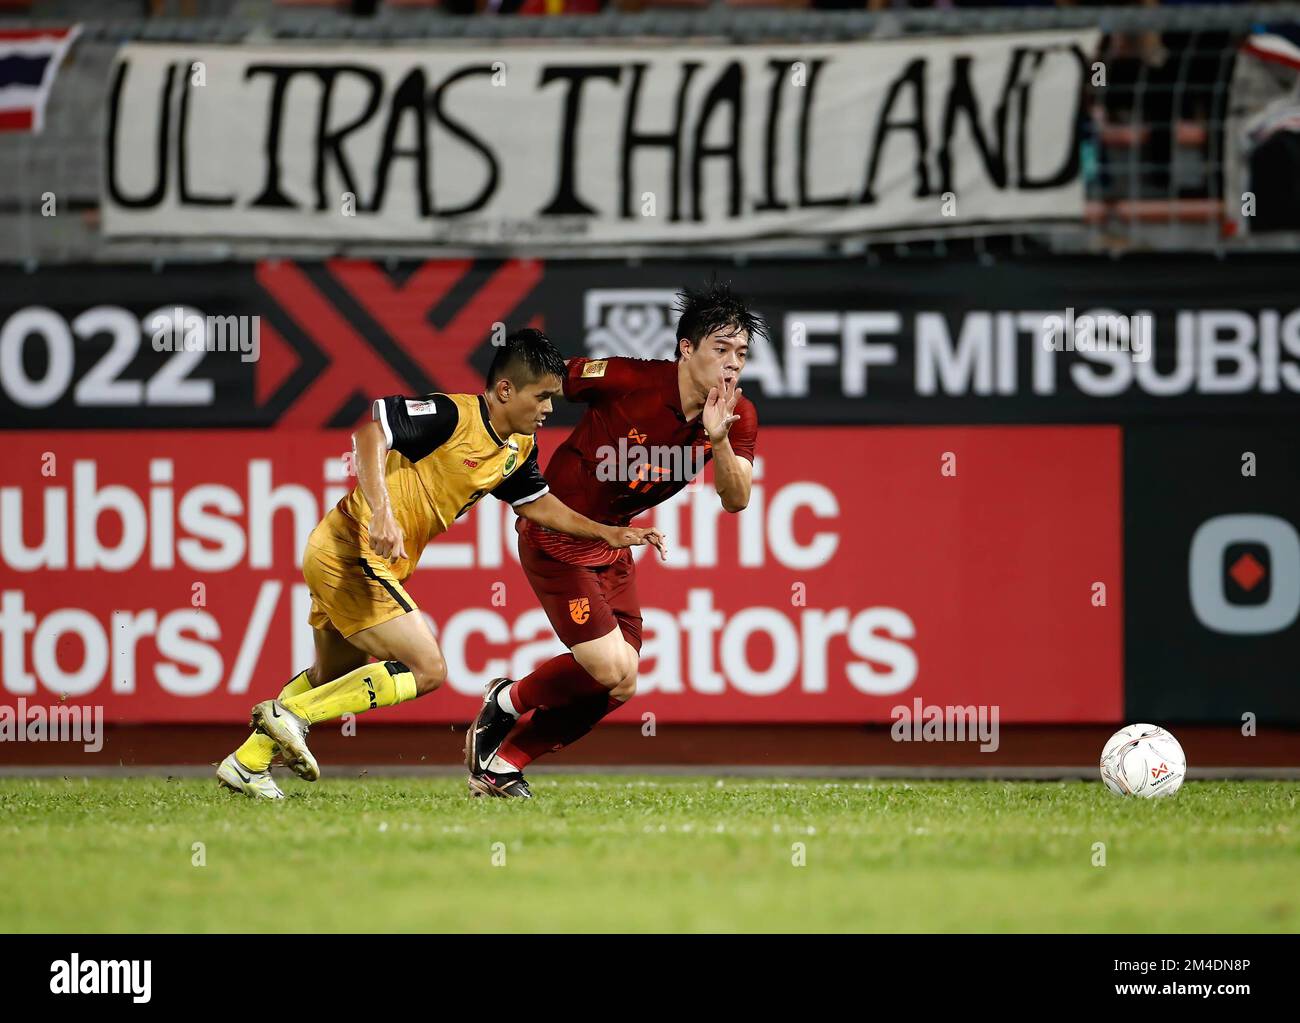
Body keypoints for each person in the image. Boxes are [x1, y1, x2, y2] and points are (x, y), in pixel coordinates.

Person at [216, 328, 664, 799]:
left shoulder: (516, 448)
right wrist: (382, 510)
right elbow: (370, 431)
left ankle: (247, 763)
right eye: (543, 397)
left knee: (329, 676)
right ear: (506, 390)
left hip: (355, 558)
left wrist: (608, 533)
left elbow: (538, 504)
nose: (550, 409)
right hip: (353, 549)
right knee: (428, 669)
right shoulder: (453, 414)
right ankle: (294, 716)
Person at [465, 281, 763, 798]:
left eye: (741, 353)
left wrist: (717, 441)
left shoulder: (738, 417)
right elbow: (546, 381)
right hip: (557, 534)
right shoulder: (627, 379)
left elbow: (736, 500)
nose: (732, 364)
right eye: (721, 349)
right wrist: (497, 443)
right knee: (609, 666)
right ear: (686, 349)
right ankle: (507, 702)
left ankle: (503, 765)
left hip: (614, 544)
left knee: (621, 683)